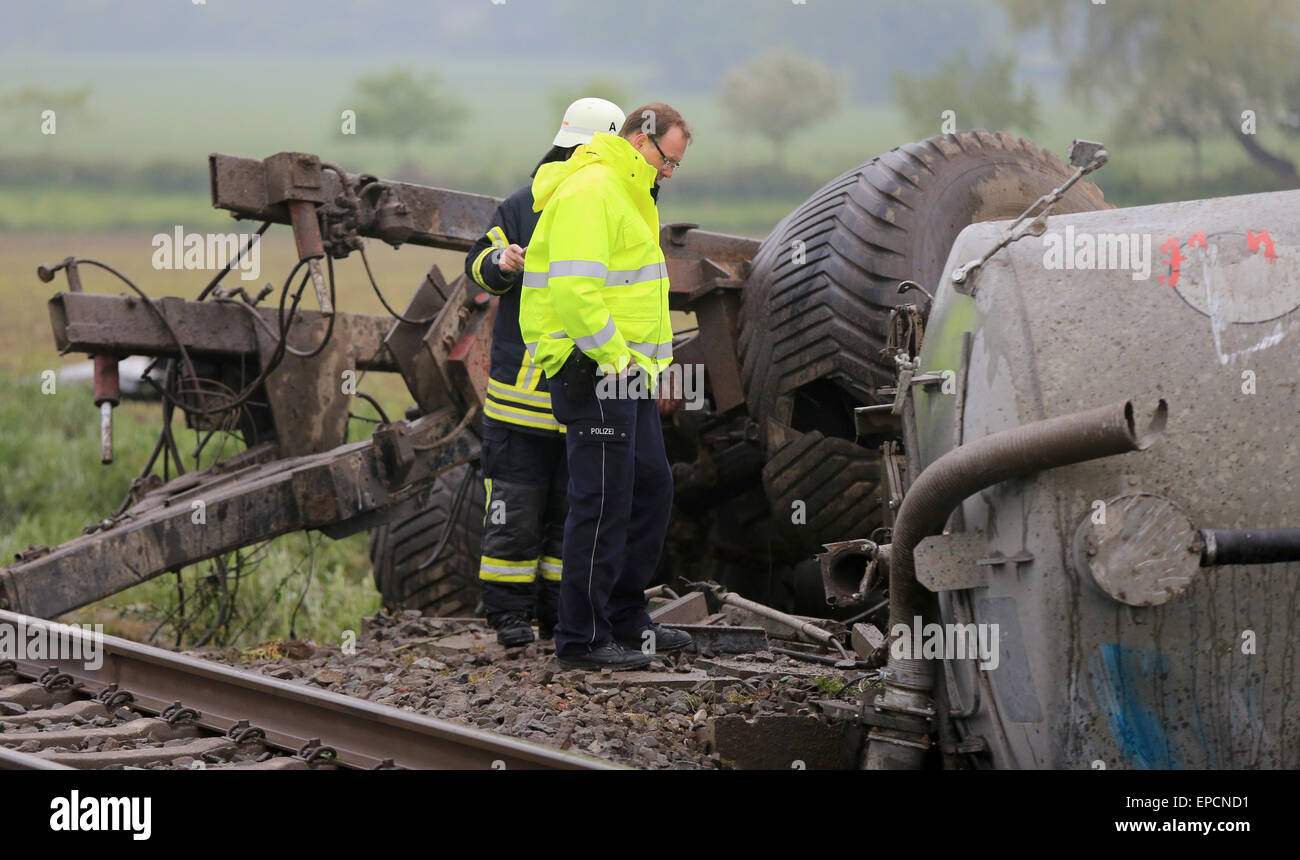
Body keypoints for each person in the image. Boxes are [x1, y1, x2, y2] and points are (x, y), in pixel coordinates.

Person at [519, 102, 694, 670]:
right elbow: (575, 293)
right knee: (600, 502)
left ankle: (625, 619)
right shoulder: (592, 189)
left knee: (649, 487)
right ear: (642, 141)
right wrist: (617, 359)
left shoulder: (630, 190)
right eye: (668, 160)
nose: (670, 173)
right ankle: (581, 640)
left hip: (625, 374)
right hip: (591, 367)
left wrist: (645, 365)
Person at [464, 97, 627, 648]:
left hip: (580, 397)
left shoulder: (610, 206)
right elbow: (479, 267)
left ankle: (559, 617)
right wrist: (501, 263)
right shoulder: (520, 206)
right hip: (521, 400)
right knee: (515, 511)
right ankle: (509, 619)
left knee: (568, 516)